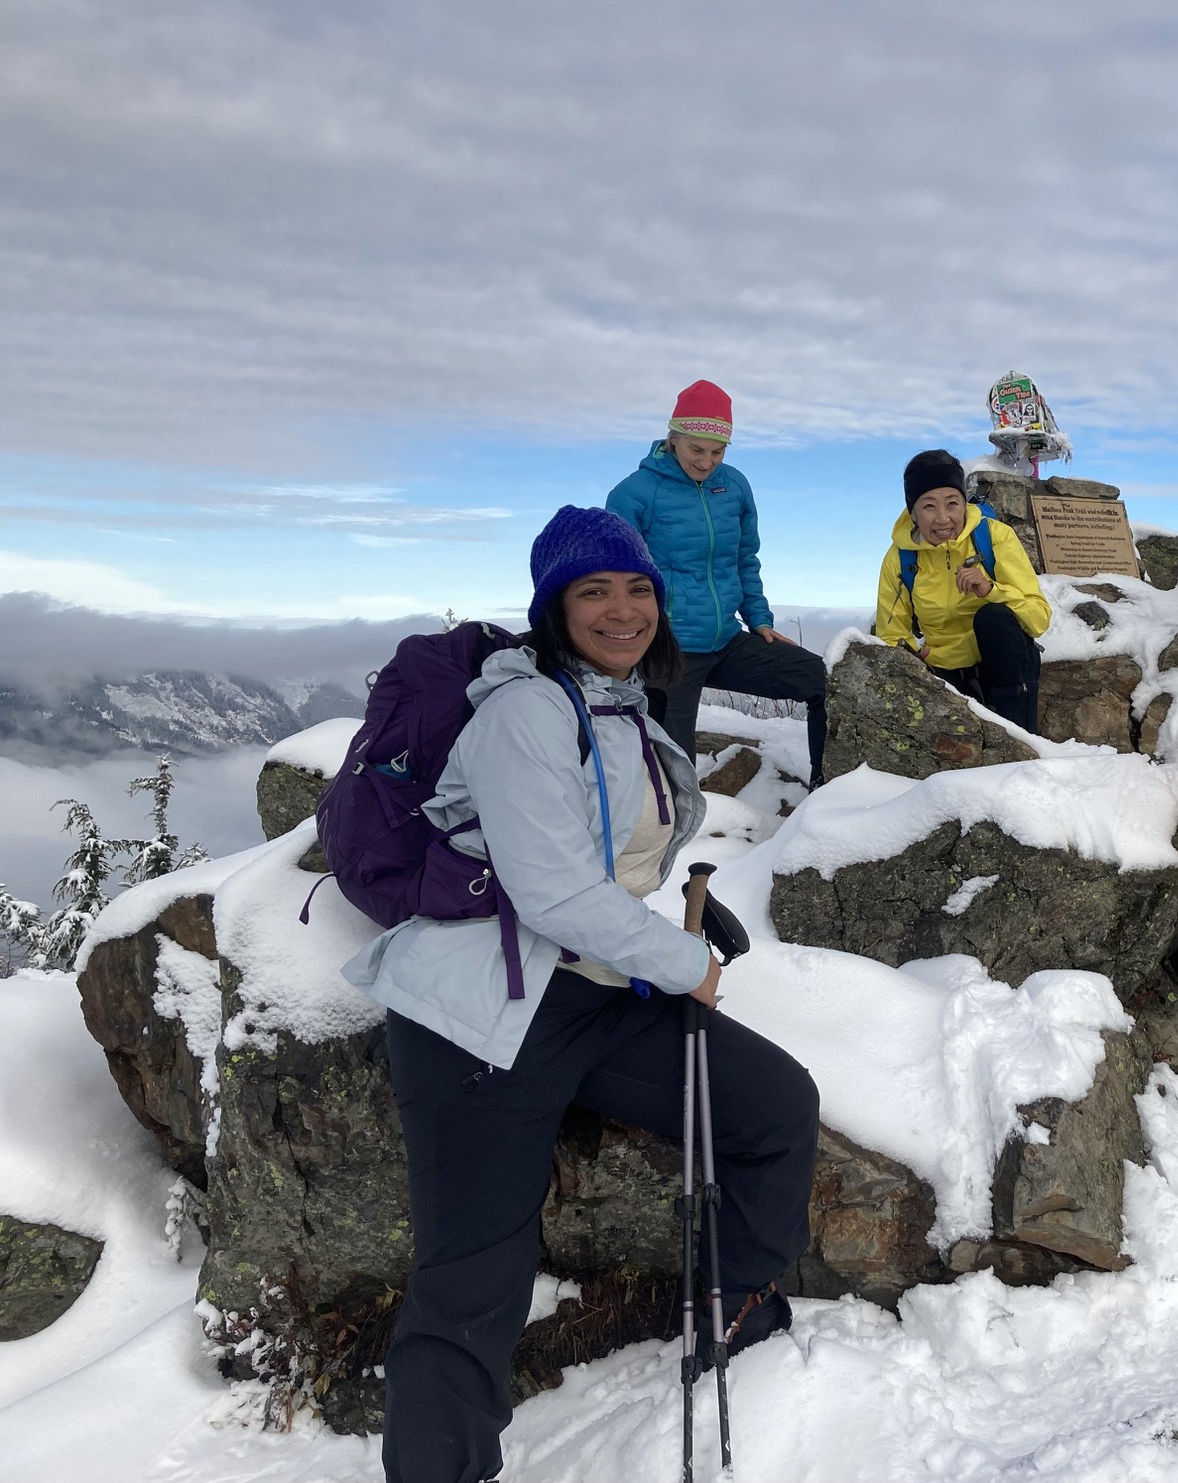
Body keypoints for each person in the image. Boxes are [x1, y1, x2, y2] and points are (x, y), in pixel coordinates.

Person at [343, 506, 820, 1483]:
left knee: (774, 1105)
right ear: (554, 608)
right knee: (472, 1285)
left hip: (591, 993)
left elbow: (600, 870)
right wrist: (682, 963)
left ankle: (732, 1305)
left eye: (638, 588)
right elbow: (552, 892)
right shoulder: (526, 712)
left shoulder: (619, 704)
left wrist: (664, 939)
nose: (622, 609)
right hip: (483, 1014)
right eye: (593, 591)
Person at [607, 380, 828, 786]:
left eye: (717, 451)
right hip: (667, 648)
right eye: (696, 449)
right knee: (675, 770)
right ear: (674, 438)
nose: (707, 461)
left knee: (821, 680)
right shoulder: (633, 493)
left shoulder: (735, 485)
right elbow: (617, 577)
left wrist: (759, 620)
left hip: (727, 640)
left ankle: (827, 789)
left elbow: (744, 559)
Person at [874, 449, 1052, 733]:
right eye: (929, 506)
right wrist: (913, 658)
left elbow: (1039, 618)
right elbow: (891, 634)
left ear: (963, 504)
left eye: (952, 503)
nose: (943, 518)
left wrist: (990, 590)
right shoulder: (901, 558)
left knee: (993, 617)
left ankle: (1019, 738)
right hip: (944, 672)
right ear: (913, 513)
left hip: (1006, 668)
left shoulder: (993, 536)